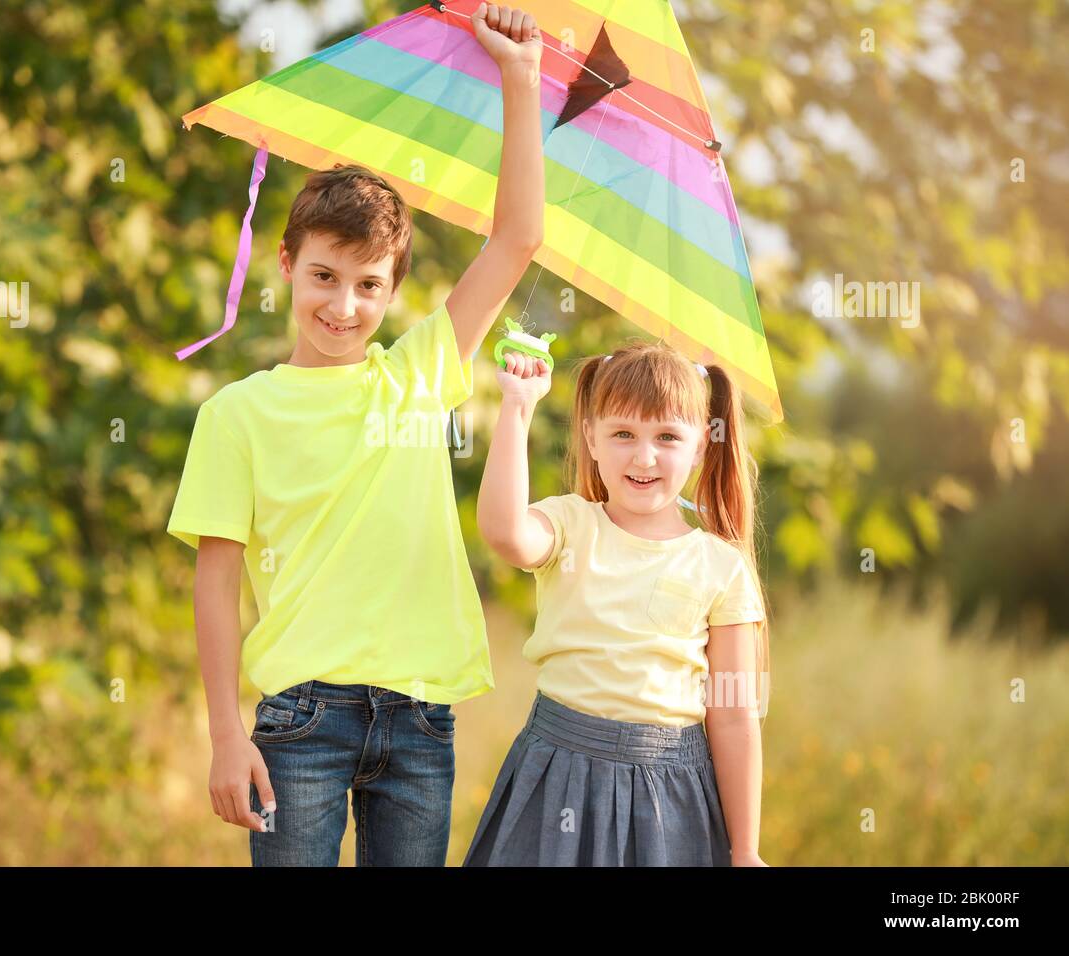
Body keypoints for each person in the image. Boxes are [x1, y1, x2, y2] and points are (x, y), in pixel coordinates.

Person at [167, 3, 546, 866]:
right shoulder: (237, 414)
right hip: (299, 723)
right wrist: (226, 735)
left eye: (369, 285)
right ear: (287, 266)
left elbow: (519, 236)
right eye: (325, 277)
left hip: (419, 720)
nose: (344, 306)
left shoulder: (419, 373)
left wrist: (519, 80)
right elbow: (214, 589)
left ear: (393, 288)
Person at [465, 343, 771, 866]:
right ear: (591, 437)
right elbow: (504, 532)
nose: (643, 456)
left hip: (669, 795)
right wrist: (517, 407)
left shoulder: (720, 566)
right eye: (623, 434)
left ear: (701, 446)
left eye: (668, 437)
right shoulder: (569, 525)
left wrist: (744, 851)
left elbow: (734, 715)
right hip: (557, 772)